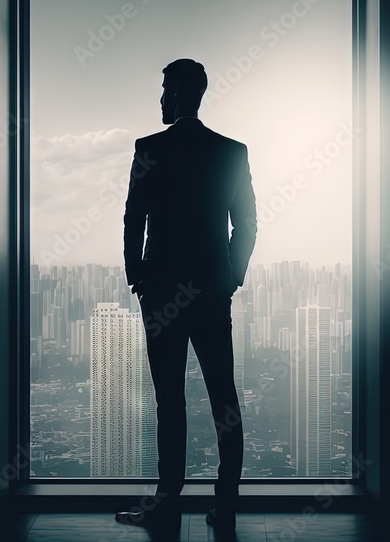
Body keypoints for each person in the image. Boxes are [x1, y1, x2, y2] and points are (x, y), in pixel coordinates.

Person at [115, 58, 257, 538]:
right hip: (212, 292)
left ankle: (166, 502)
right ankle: (227, 504)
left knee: (169, 400)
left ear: (177, 93)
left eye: (162, 91)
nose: (159, 100)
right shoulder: (230, 151)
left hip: (162, 295)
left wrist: (137, 273)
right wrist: (231, 275)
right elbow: (248, 223)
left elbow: (134, 216)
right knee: (224, 398)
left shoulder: (150, 148)